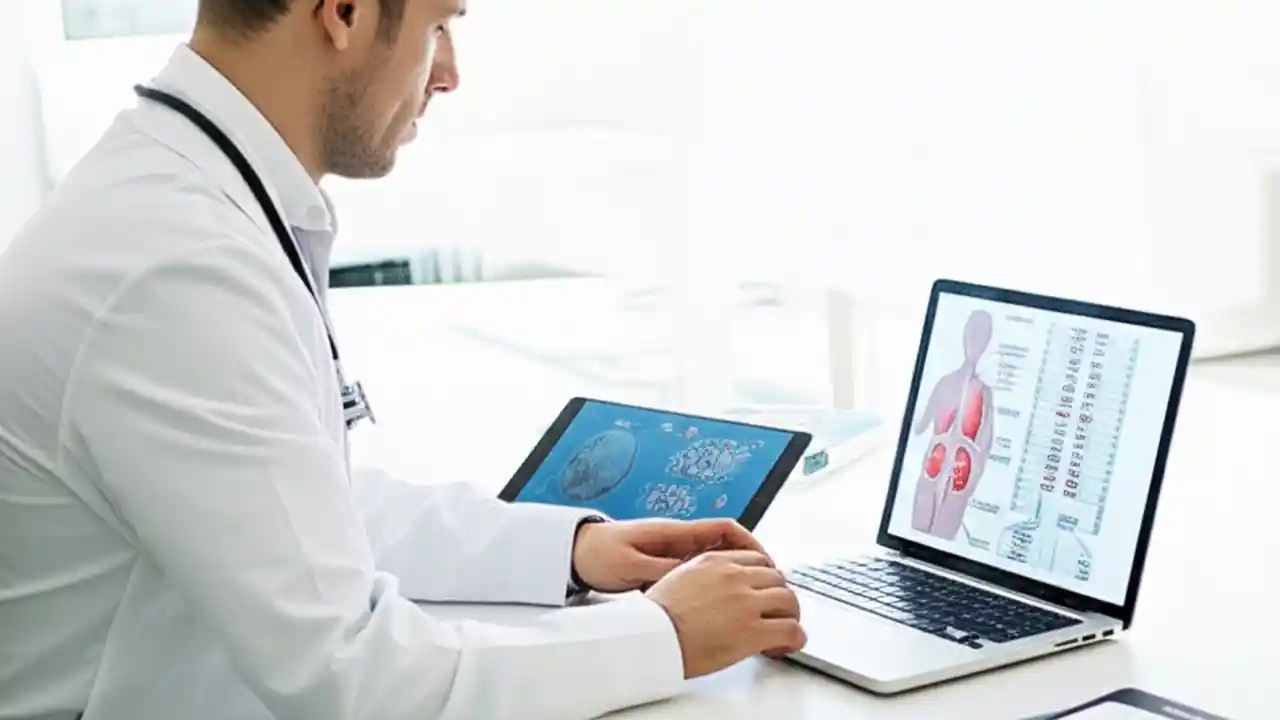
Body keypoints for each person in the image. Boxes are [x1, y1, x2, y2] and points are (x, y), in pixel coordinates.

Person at [0, 1, 806, 718]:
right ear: (343, 12)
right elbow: (355, 679)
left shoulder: (184, 199)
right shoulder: (174, 267)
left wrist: (567, 549)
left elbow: (290, 506)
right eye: (439, 25)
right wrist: (664, 635)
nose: (449, 74)